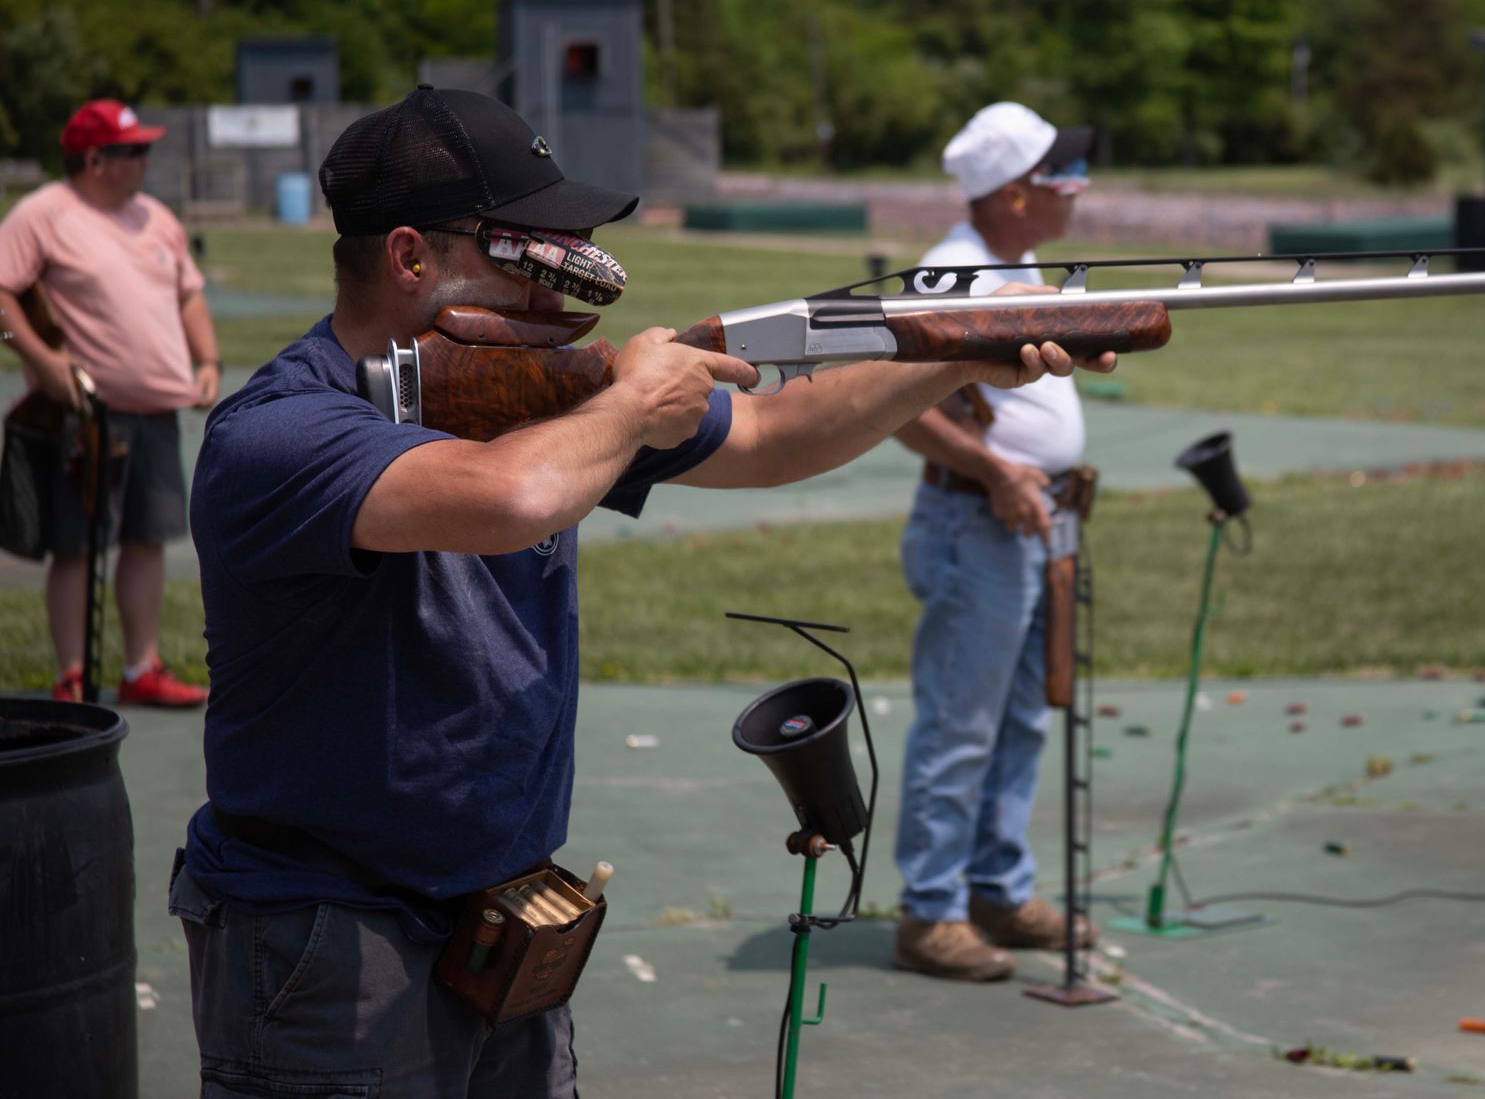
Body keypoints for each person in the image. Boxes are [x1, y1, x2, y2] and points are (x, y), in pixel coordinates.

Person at [165, 85, 1113, 1097]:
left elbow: (779, 435)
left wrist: (956, 345)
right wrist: (628, 403)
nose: (561, 301)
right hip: (331, 937)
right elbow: (514, 495)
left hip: (502, 917)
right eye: (534, 260)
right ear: (410, 257)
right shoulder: (278, 430)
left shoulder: (541, 401)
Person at [888, 102, 1099, 981]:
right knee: (962, 722)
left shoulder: (1008, 262)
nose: (1079, 190)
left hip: (1031, 519)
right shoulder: (952, 276)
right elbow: (896, 405)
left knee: (1018, 720)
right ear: (1016, 193)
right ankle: (930, 909)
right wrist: (997, 471)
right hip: (983, 519)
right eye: (1063, 175)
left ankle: (997, 889)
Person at [0, 99, 220, 707]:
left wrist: (208, 361)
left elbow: (188, 295)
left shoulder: (155, 217)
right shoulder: (44, 213)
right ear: (94, 158)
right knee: (75, 543)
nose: (145, 159)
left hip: (155, 411)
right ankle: (71, 674)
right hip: (87, 413)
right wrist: (39, 361)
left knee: (147, 538)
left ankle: (139, 667)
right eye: (133, 150)